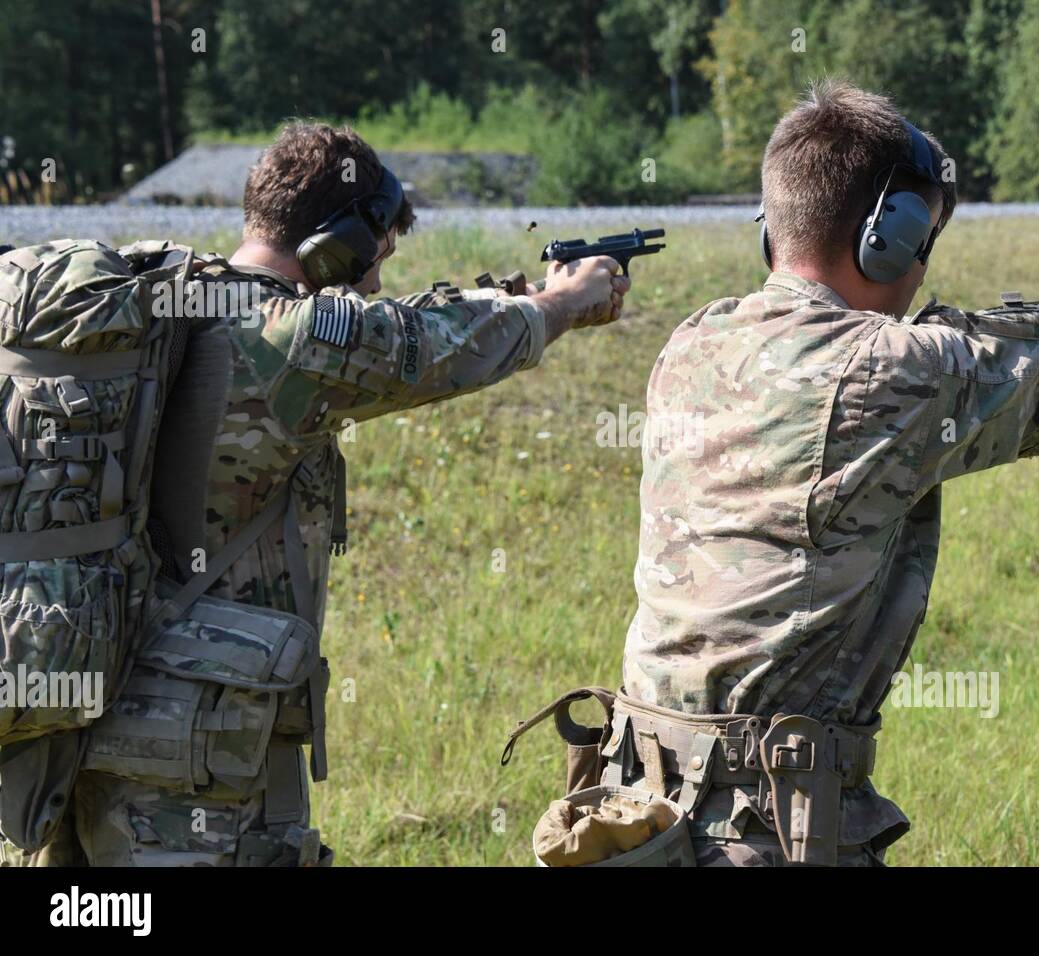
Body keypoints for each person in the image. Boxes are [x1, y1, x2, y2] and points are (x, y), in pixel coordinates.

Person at [613, 79, 1039, 866]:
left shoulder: (695, 343)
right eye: (922, 236)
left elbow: (955, 343)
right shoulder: (891, 373)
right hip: (763, 834)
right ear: (885, 237)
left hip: (639, 812)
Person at [0, 121, 629, 866]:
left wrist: (503, 295)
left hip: (82, 721)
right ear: (340, 247)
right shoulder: (290, 341)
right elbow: (421, 349)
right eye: (376, 259)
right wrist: (565, 304)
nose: (378, 281)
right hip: (191, 755)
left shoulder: (180, 307)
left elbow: (396, 327)